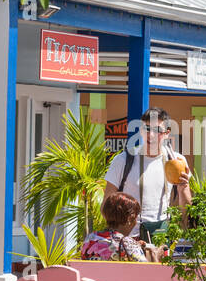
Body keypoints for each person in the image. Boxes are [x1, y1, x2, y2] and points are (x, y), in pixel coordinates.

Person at [104, 106, 191, 242]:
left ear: (167, 133)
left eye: (157, 130)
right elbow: (106, 204)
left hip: (161, 235)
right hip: (128, 238)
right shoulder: (123, 160)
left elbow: (186, 210)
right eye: (147, 129)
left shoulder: (176, 161)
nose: (151, 135)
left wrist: (183, 188)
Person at [79, 192, 161, 262]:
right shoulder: (127, 243)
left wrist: (136, 246)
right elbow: (148, 273)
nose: (136, 222)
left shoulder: (91, 238)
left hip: (92, 280)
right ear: (129, 219)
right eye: (136, 217)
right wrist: (155, 256)